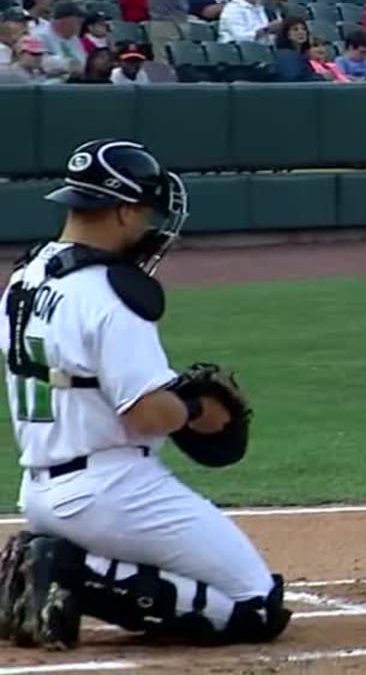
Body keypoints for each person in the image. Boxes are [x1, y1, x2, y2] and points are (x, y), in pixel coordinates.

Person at [0, 140, 291, 650]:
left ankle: (51, 558)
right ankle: (69, 570)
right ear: (122, 210)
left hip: (43, 493)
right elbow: (147, 414)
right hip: (113, 492)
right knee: (255, 607)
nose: (149, 226)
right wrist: (198, 409)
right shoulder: (111, 291)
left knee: (199, 579)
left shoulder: (25, 277)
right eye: (144, 213)